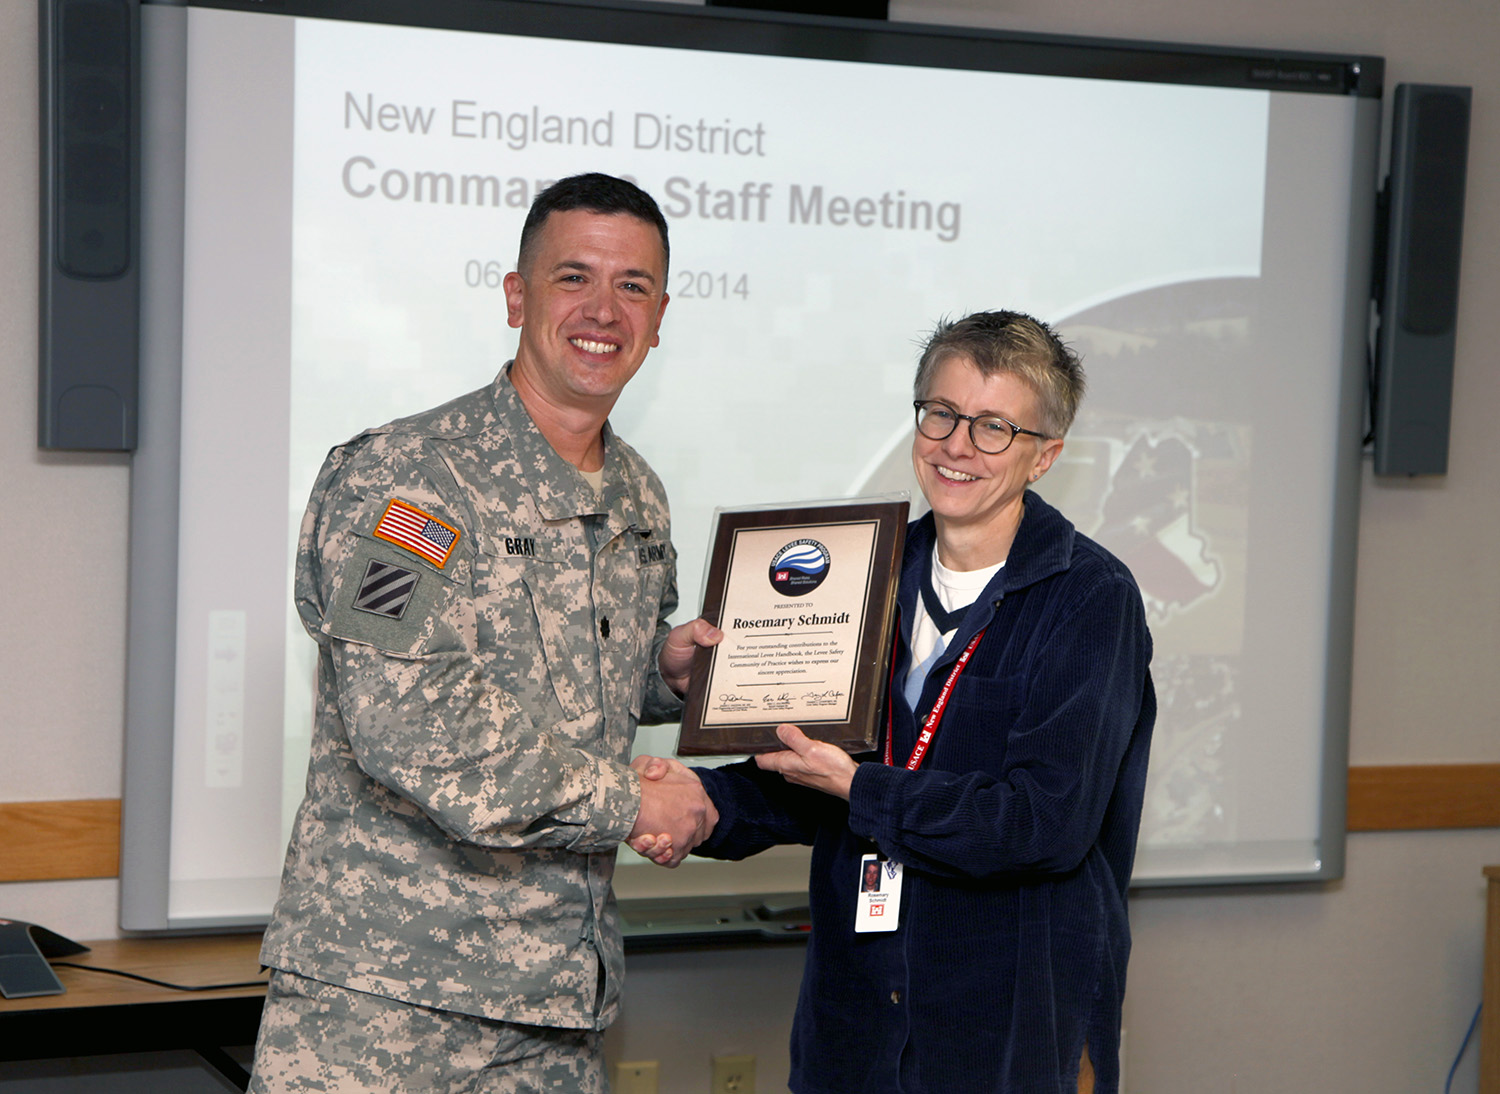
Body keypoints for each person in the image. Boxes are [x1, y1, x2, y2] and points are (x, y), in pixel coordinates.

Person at [249, 173, 720, 1094]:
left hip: (555, 1004)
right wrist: (630, 803)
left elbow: (577, 685)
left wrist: (661, 674)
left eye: (632, 287)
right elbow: (409, 719)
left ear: (660, 317)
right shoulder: (412, 483)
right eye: (572, 277)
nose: (602, 311)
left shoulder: (636, 495)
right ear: (517, 295)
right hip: (388, 1004)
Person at [636, 311, 1155, 1094]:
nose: (956, 445)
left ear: (1044, 456)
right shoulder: (856, 571)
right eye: (941, 413)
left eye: (993, 428)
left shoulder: (1090, 599)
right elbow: (812, 779)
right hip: (855, 1017)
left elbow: (1043, 823)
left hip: (1001, 1025)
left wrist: (860, 787)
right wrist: (706, 802)